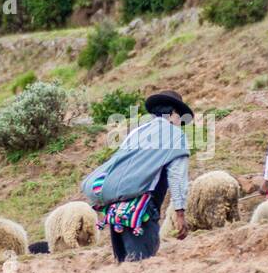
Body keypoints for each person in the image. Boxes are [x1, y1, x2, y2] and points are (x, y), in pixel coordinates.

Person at [81, 89, 191, 262]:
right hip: (142, 212)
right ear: (172, 113)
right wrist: (180, 214)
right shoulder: (175, 136)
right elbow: (177, 177)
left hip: (117, 211)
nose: (180, 123)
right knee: (141, 265)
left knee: (124, 267)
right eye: (180, 117)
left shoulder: (136, 133)